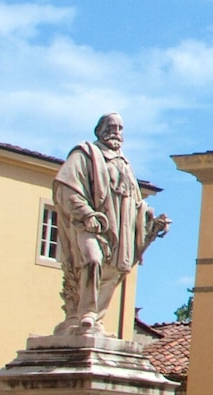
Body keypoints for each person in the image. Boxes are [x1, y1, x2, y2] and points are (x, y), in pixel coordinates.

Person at [54, 113, 168, 337]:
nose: (116, 131)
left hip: (120, 228)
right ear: (99, 130)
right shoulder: (85, 154)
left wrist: (152, 222)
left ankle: (95, 317)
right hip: (89, 225)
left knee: (116, 270)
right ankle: (84, 313)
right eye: (111, 126)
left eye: (120, 127)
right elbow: (66, 188)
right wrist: (86, 213)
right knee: (93, 259)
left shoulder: (125, 164)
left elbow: (136, 202)